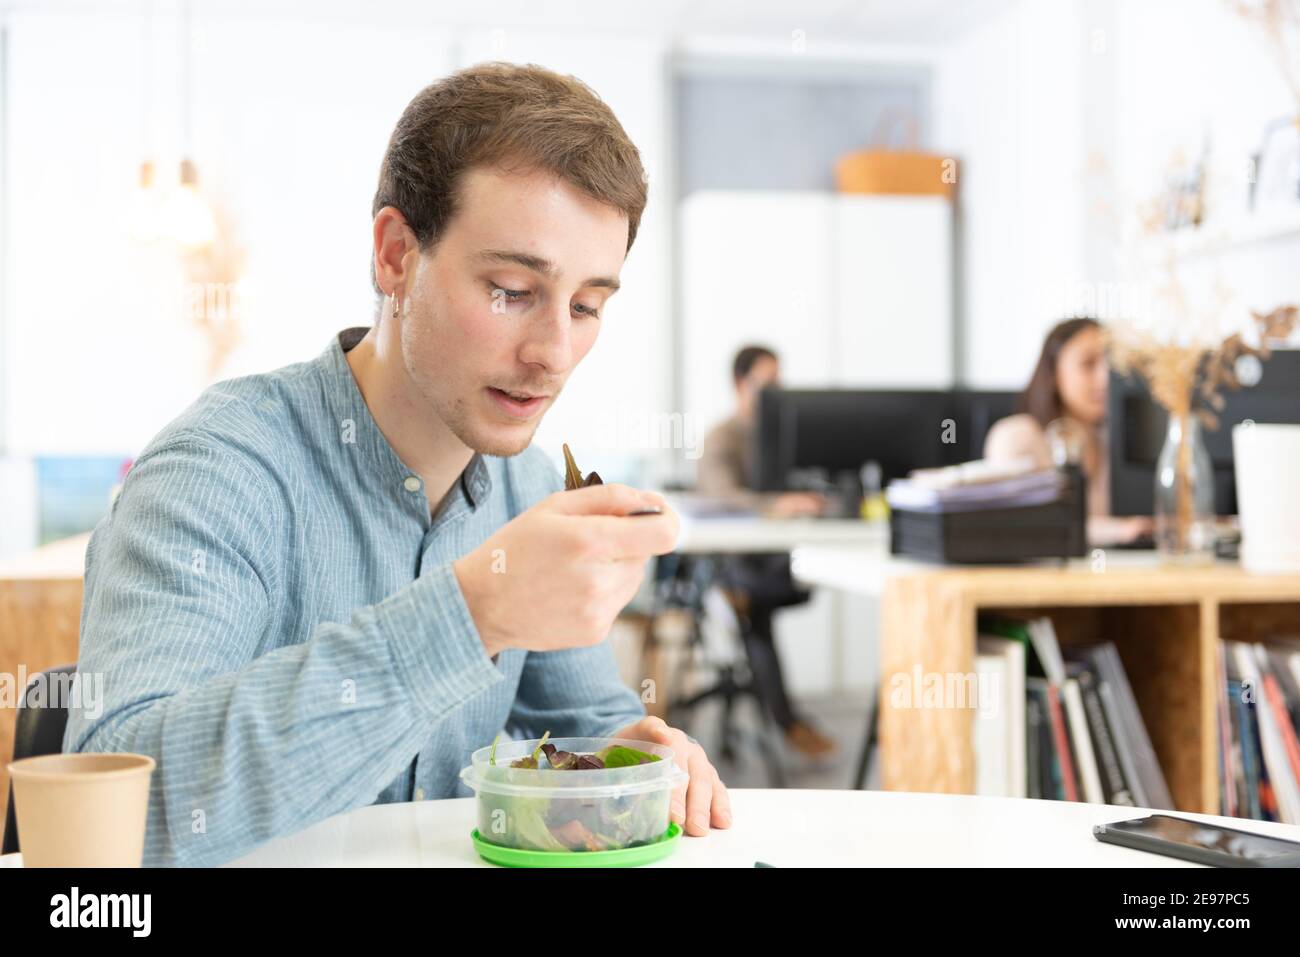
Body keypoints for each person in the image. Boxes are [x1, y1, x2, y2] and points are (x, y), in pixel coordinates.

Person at [63, 63, 730, 866]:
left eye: (587, 306)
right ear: (395, 256)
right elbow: (113, 826)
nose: (555, 352)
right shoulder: (218, 471)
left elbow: (589, 723)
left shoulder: (525, 489)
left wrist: (632, 760)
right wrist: (468, 613)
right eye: (513, 289)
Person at [697, 345, 837, 758]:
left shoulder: (781, 437)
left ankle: (789, 720)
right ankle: (788, 722)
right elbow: (723, 496)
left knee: (764, 602)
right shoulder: (723, 437)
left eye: (780, 382)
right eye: (767, 383)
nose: (777, 391)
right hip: (727, 564)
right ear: (741, 384)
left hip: (771, 560)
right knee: (754, 608)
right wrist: (775, 505)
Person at [983, 317, 1153, 546]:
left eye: (1111, 366)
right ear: (1053, 374)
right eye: (1088, 364)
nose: (1105, 380)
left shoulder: (1116, 443)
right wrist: (1119, 530)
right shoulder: (1016, 437)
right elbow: (1021, 525)